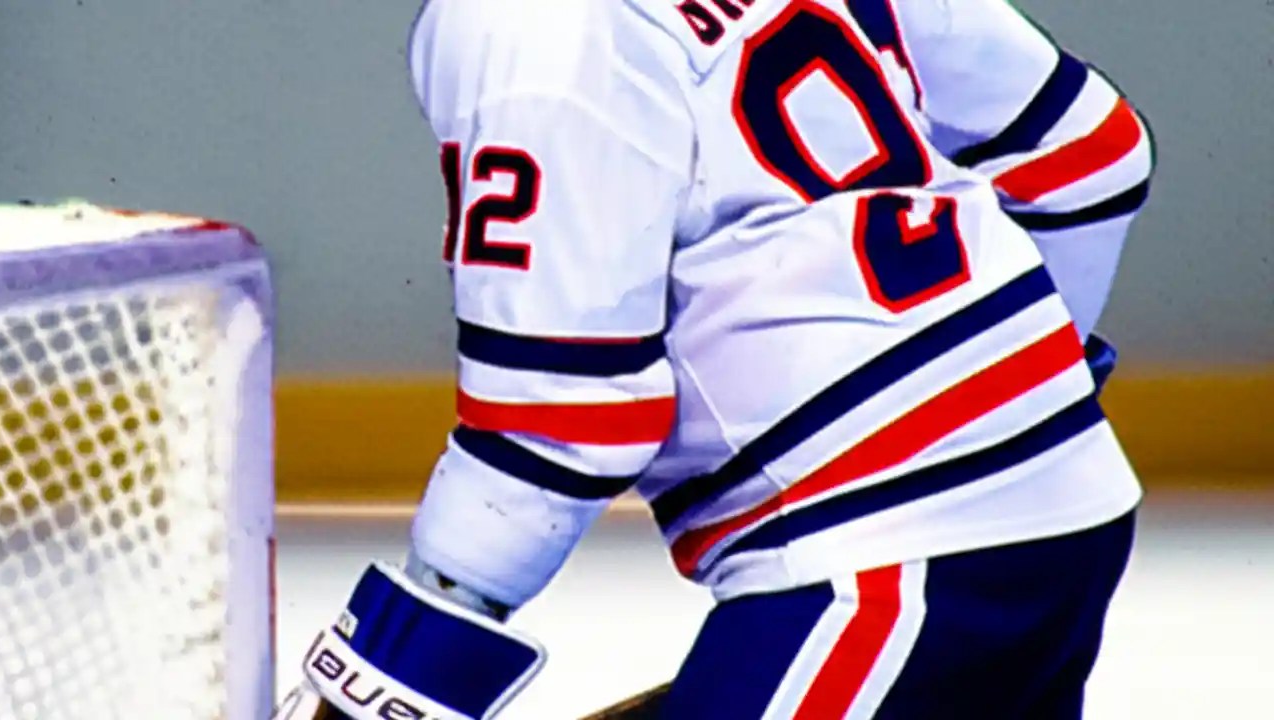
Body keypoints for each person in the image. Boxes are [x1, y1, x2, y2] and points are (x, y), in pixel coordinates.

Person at [276, 0, 1154, 717]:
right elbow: (1088, 152)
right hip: (1069, 512)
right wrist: (1015, 412)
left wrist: (378, 688)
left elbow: (562, 421)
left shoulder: (528, 23)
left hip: (877, 570)